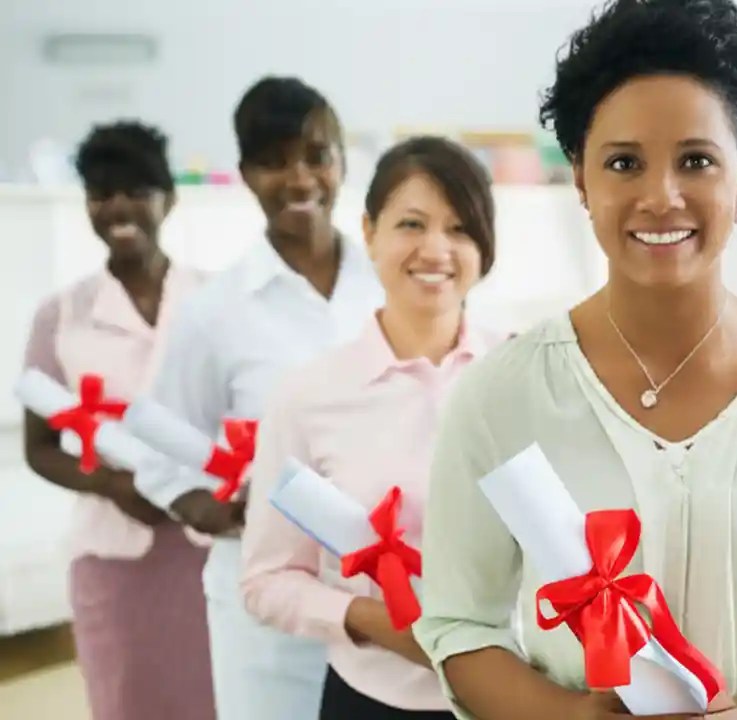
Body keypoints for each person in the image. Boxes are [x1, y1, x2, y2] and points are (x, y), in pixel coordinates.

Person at [412, 2, 737, 719]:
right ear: (581, 181)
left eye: (696, 161)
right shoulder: (501, 395)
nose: (661, 197)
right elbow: (458, 626)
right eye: (624, 163)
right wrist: (571, 716)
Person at [131, 77, 384, 719]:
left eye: (315, 156)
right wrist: (228, 513)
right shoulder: (215, 314)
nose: (299, 179)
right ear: (245, 174)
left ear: (341, 161)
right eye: (274, 162)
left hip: (386, 597)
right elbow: (160, 459)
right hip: (268, 610)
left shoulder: (391, 285)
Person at [240, 136, 504, 720]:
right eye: (412, 223)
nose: (436, 248)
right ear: (369, 231)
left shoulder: (522, 377)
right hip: (374, 701)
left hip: (514, 698)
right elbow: (266, 578)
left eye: (461, 228)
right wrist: (374, 623)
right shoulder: (309, 395)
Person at [21, 120, 215, 720]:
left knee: (218, 702)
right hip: (114, 559)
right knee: (125, 702)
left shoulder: (214, 301)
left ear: (169, 198)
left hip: (208, 545)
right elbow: (40, 445)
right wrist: (113, 484)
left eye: (136, 190)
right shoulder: (63, 315)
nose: (119, 207)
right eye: (102, 194)